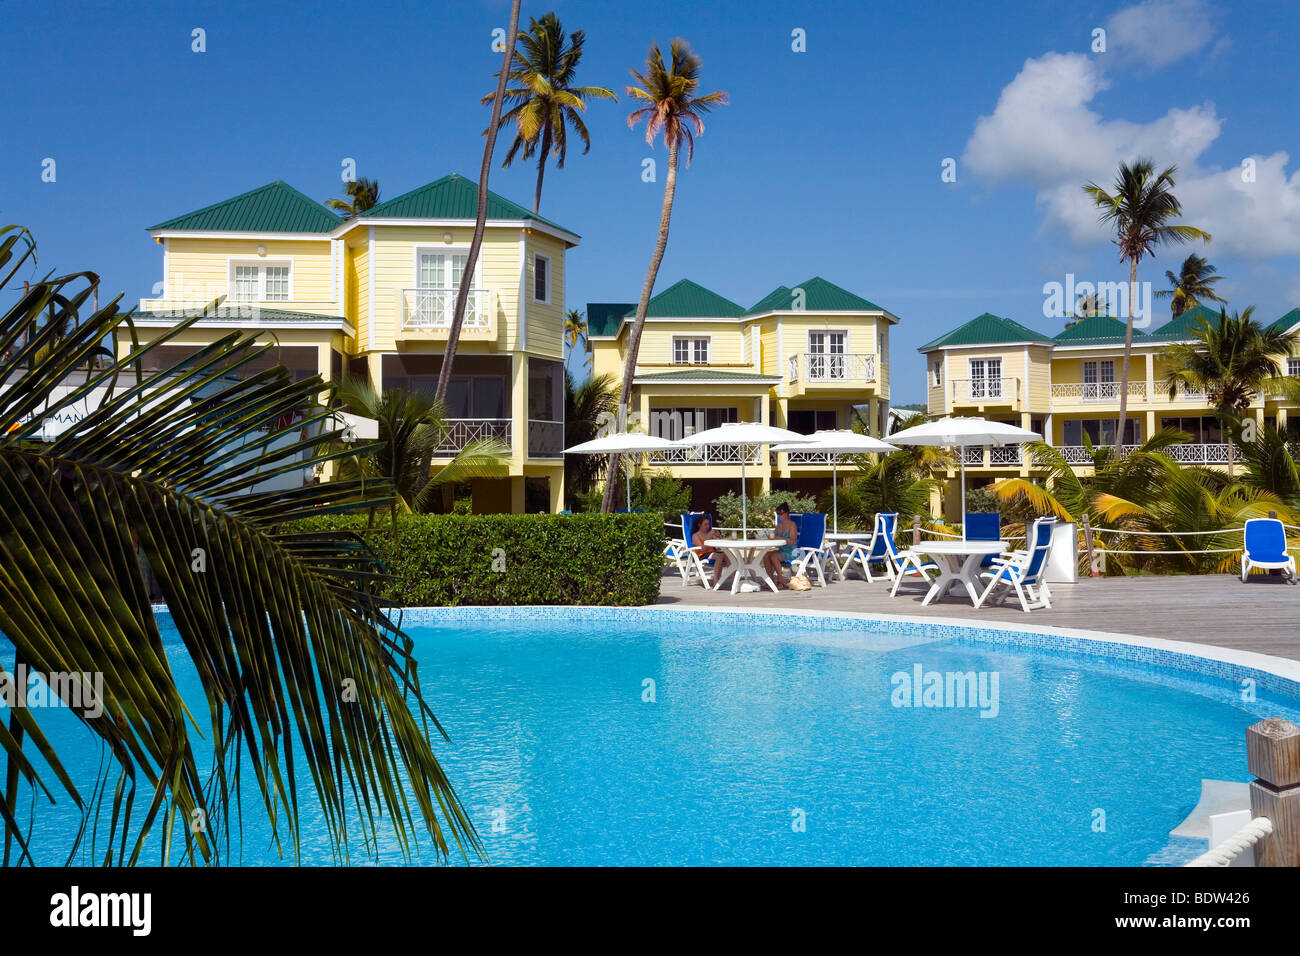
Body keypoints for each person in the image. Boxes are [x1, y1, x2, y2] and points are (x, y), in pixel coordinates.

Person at [764, 502, 799, 589]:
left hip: (792, 551)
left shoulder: (792, 525)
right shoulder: (778, 526)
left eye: (781, 513)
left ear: (787, 513)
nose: (779, 515)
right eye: (777, 513)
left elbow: (792, 541)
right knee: (766, 555)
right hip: (781, 551)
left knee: (774, 556)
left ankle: (780, 581)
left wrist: (777, 537)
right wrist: (770, 536)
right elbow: (773, 536)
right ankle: (770, 581)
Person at [691, 513, 729, 588]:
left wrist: (718, 535)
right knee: (719, 556)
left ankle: (735, 580)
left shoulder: (709, 533)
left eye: (708, 524)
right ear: (699, 525)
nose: (707, 526)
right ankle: (716, 582)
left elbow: (720, 542)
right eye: (705, 524)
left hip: (712, 554)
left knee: (728, 556)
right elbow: (703, 549)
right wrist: (709, 536)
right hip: (702, 555)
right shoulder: (695, 536)